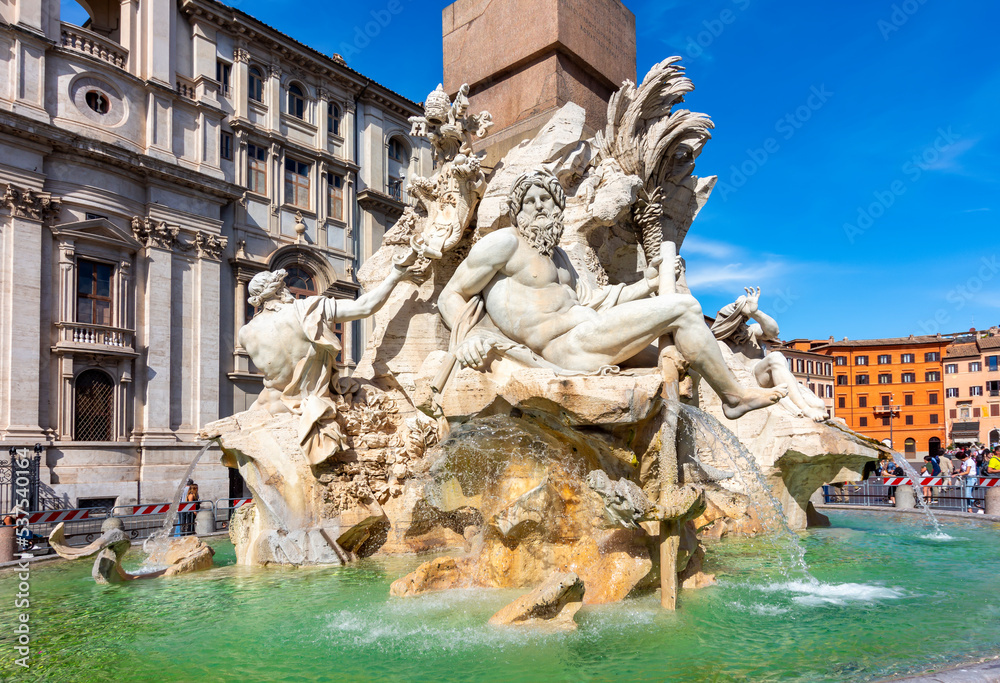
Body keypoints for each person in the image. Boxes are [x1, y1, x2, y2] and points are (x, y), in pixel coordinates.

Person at [438, 170, 787, 419]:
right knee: (684, 307)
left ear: (558, 206)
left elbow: (595, 301)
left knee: (686, 362)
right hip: (564, 348)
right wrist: (466, 337)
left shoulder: (559, 258)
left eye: (546, 198)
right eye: (529, 201)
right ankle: (735, 398)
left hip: (591, 335)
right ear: (517, 210)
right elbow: (451, 294)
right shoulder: (505, 244)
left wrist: (649, 283)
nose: (539, 206)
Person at [239, 259, 415, 465]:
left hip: (269, 409)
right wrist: (395, 274)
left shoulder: (245, 333)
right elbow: (365, 306)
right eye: (285, 287)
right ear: (280, 291)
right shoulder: (308, 309)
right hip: (313, 404)